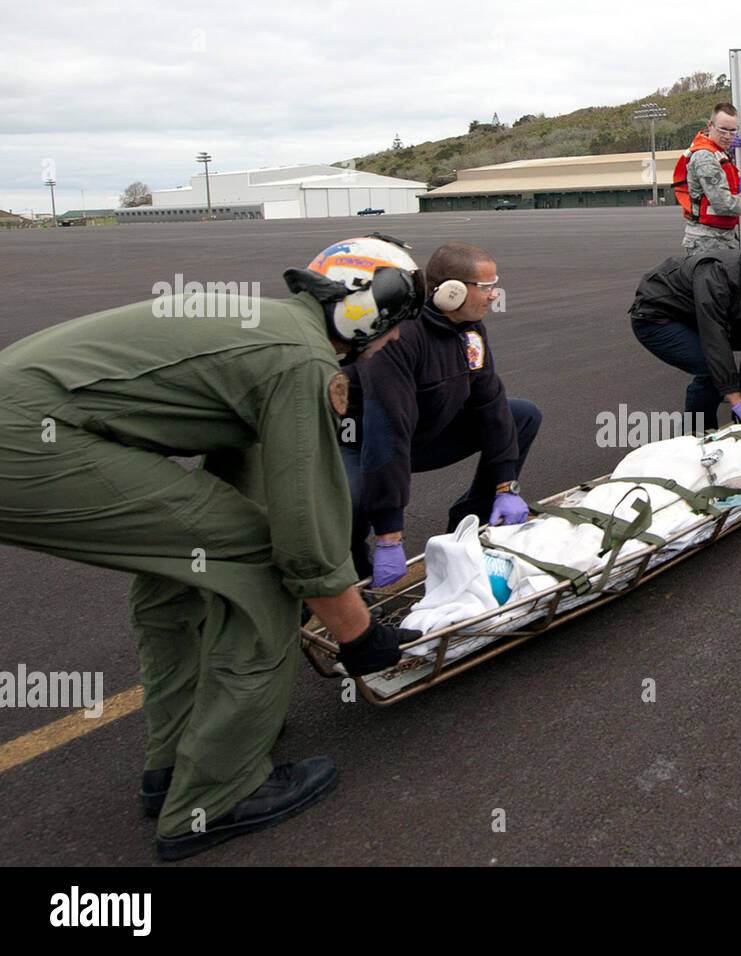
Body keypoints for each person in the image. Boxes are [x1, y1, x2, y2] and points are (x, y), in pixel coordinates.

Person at [0, 234, 425, 860]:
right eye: (396, 327)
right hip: (27, 442)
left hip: (26, 428)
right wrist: (360, 636)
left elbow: (245, 474)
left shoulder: (271, 331)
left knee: (188, 569)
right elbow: (303, 544)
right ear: (367, 307)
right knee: (259, 562)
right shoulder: (304, 359)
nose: (393, 342)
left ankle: (179, 763)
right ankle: (218, 792)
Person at [342, 241, 540, 587]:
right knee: (351, 504)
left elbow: (490, 404)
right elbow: (387, 429)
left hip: (420, 433)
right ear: (451, 291)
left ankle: (469, 523)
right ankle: (354, 571)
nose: (494, 295)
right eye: (487, 287)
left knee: (520, 415)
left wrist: (506, 485)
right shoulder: (398, 338)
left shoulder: (471, 331)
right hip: (361, 444)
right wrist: (390, 535)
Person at [629, 242, 741, 431]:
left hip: (695, 315)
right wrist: (737, 402)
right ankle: (696, 436)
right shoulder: (717, 274)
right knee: (711, 372)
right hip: (658, 318)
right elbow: (714, 337)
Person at [673, 103, 741, 252]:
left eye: (732, 131)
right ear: (710, 125)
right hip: (707, 242)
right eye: (722, 130)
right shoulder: (705, 158)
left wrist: (729, 153)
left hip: (720, 237)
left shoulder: (718, 152)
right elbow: (726, 206)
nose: (728, 136)